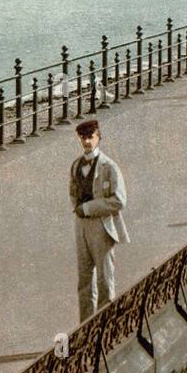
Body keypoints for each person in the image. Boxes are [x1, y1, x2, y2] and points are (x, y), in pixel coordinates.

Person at [70, 119, 130, 322]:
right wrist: (78, 209)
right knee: (84, 280)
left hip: (102, 227)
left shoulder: (108, 167)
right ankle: (85, 327)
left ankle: (105, 325)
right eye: (83, 138)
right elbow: (73, 192)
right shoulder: (76, 165)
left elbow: (119, 200)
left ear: (98, 138)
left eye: (90, 137)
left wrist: (88, 208)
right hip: (81, 227)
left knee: (105, 281)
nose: (87, 142)